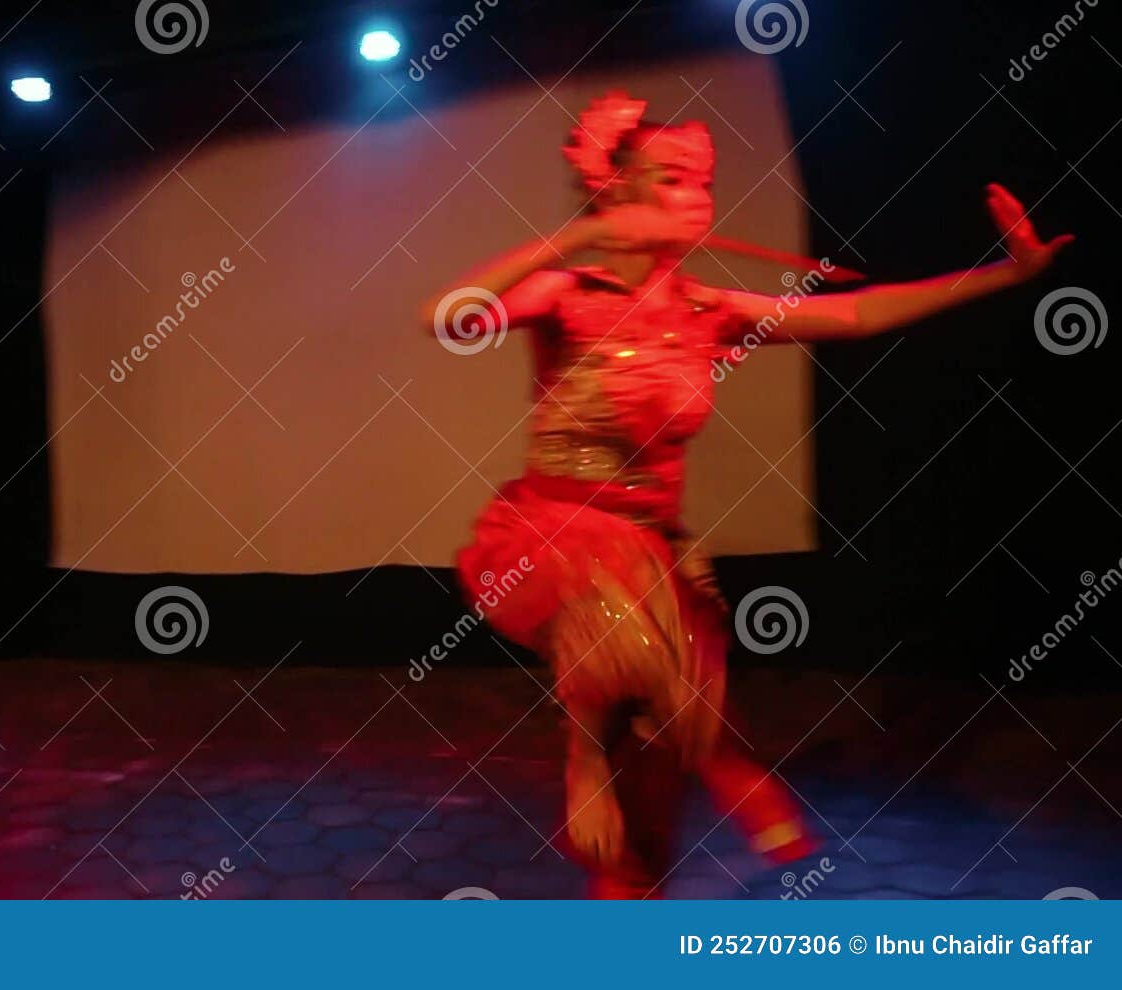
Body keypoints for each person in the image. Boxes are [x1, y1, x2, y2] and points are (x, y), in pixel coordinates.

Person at [424, 91, 1073, 898]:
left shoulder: (708, 312)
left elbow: (861, 313)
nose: (694, 199)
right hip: (561, 539)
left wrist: (1007, 276)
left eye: (702, 184)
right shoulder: (568, 294)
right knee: (634, 652)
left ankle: (630, 881)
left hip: (650, 550)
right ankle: (583, 753)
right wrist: (575, 238)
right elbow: (445, 318)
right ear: (617, 190)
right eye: (669, 180)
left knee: (659, 758)